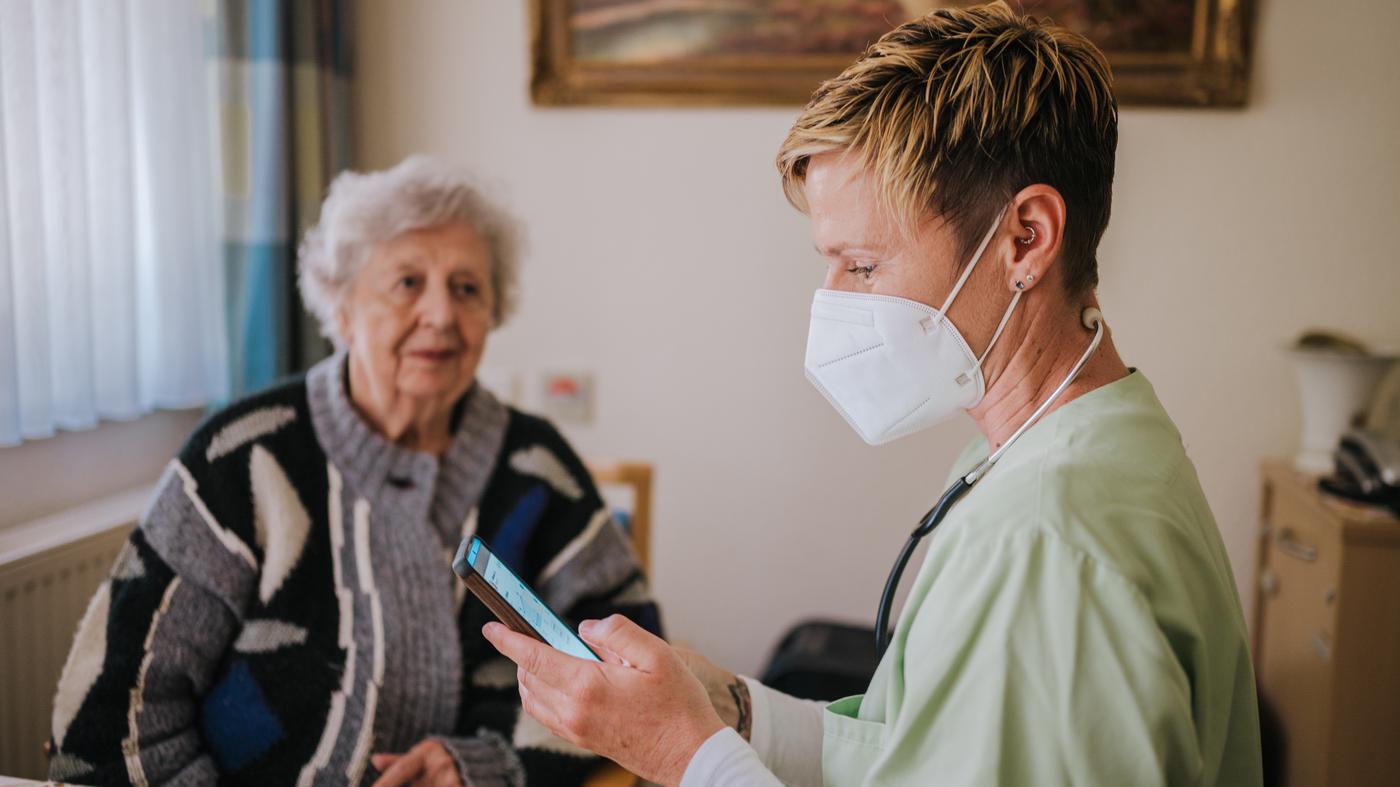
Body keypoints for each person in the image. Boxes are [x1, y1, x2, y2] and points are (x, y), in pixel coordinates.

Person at [483, 4, 1262, 786]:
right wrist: (731, 710)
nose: (833, 303)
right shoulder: (1094, 445)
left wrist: (680, 753)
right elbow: (923, 752)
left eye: (861, 266)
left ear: (1025, 237)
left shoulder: (1043, 540)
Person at [47, 156, 660, 787]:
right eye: (407, 283)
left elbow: (625, 673)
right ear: (341, 308)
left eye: (466, 288)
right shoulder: (243, 458)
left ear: (492, 313)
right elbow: (111, 715)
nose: (441, 316)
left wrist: (490, 767)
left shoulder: (536, 467)